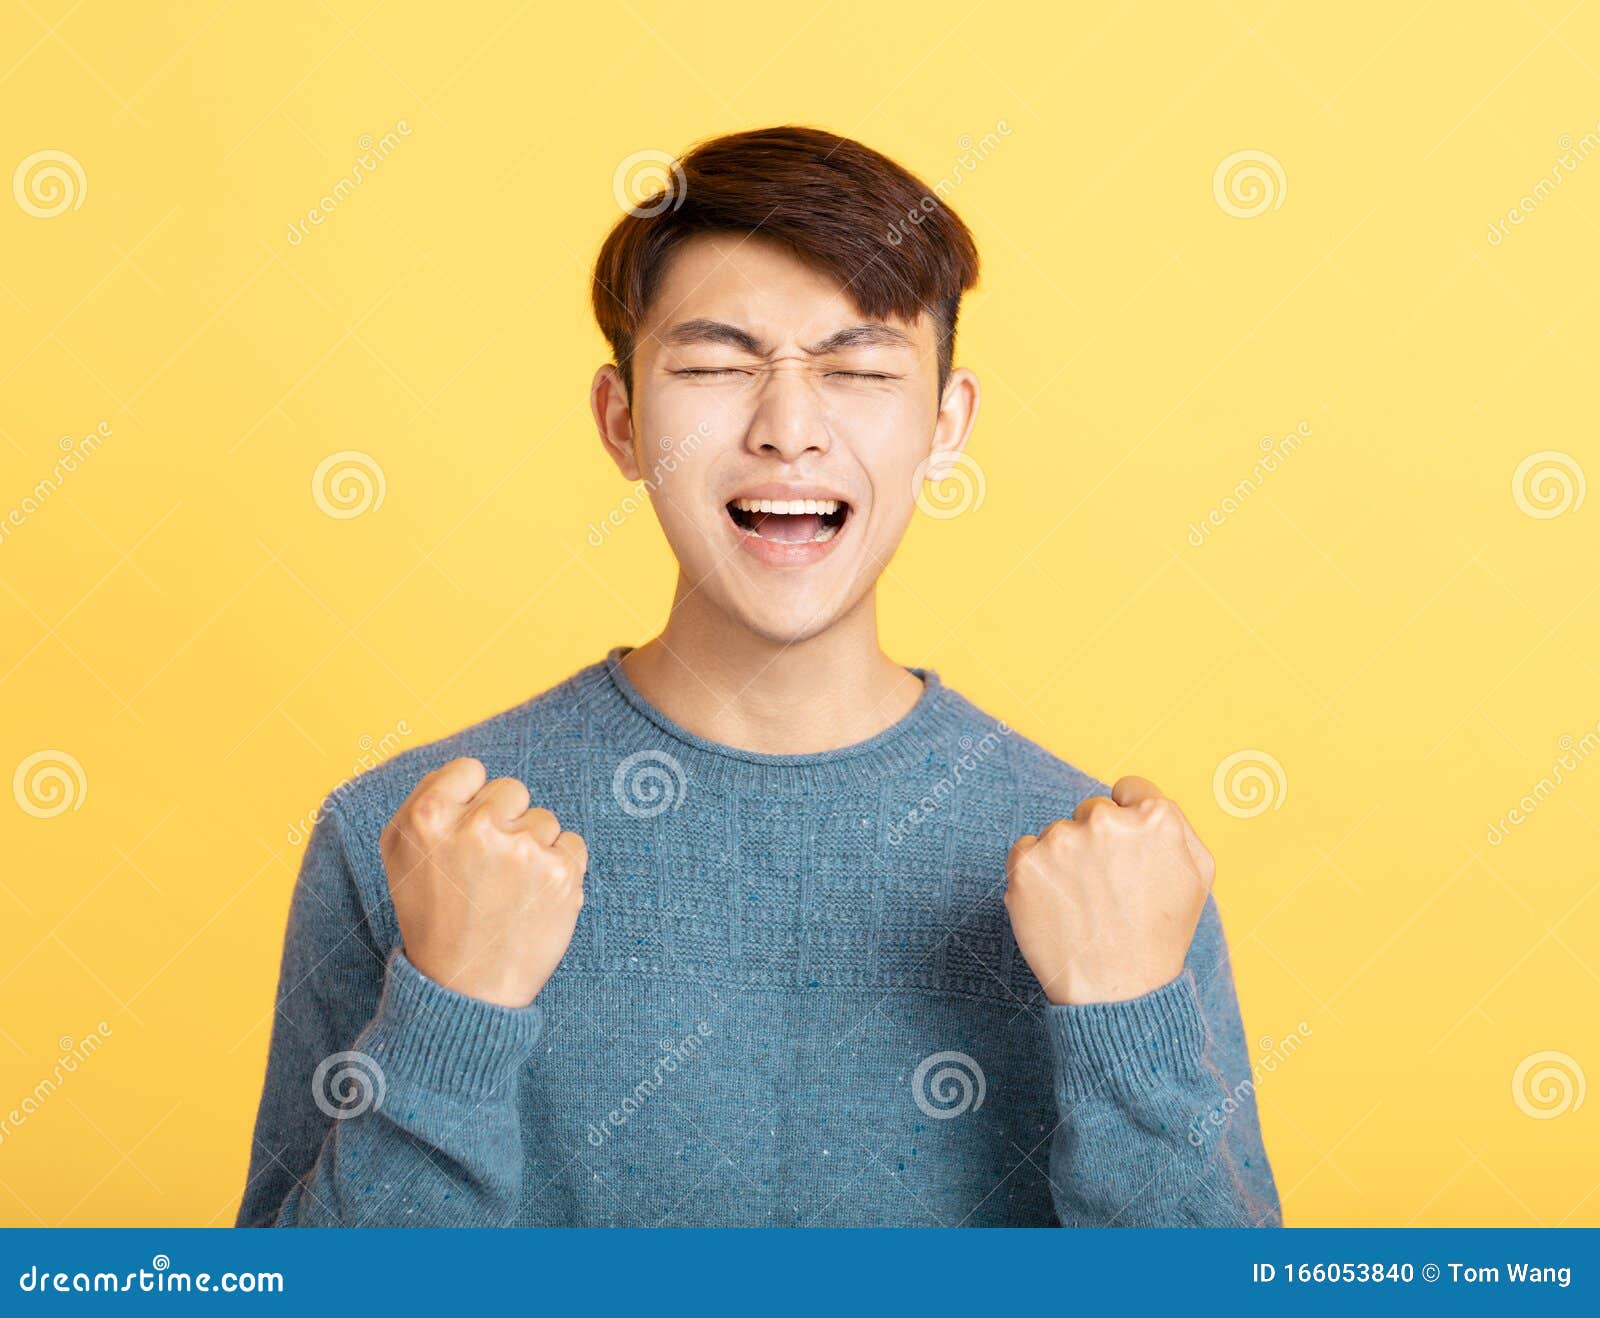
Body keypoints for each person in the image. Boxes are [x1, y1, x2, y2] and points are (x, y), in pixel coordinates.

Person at [235, 125, 1281, 1228]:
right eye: (716, 366)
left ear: (946, 422)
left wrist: (1126, 1022)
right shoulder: (408, 848)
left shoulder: (1119, 879)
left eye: (859, 369)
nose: (789, 430)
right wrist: (449, 1016)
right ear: (623, 420)